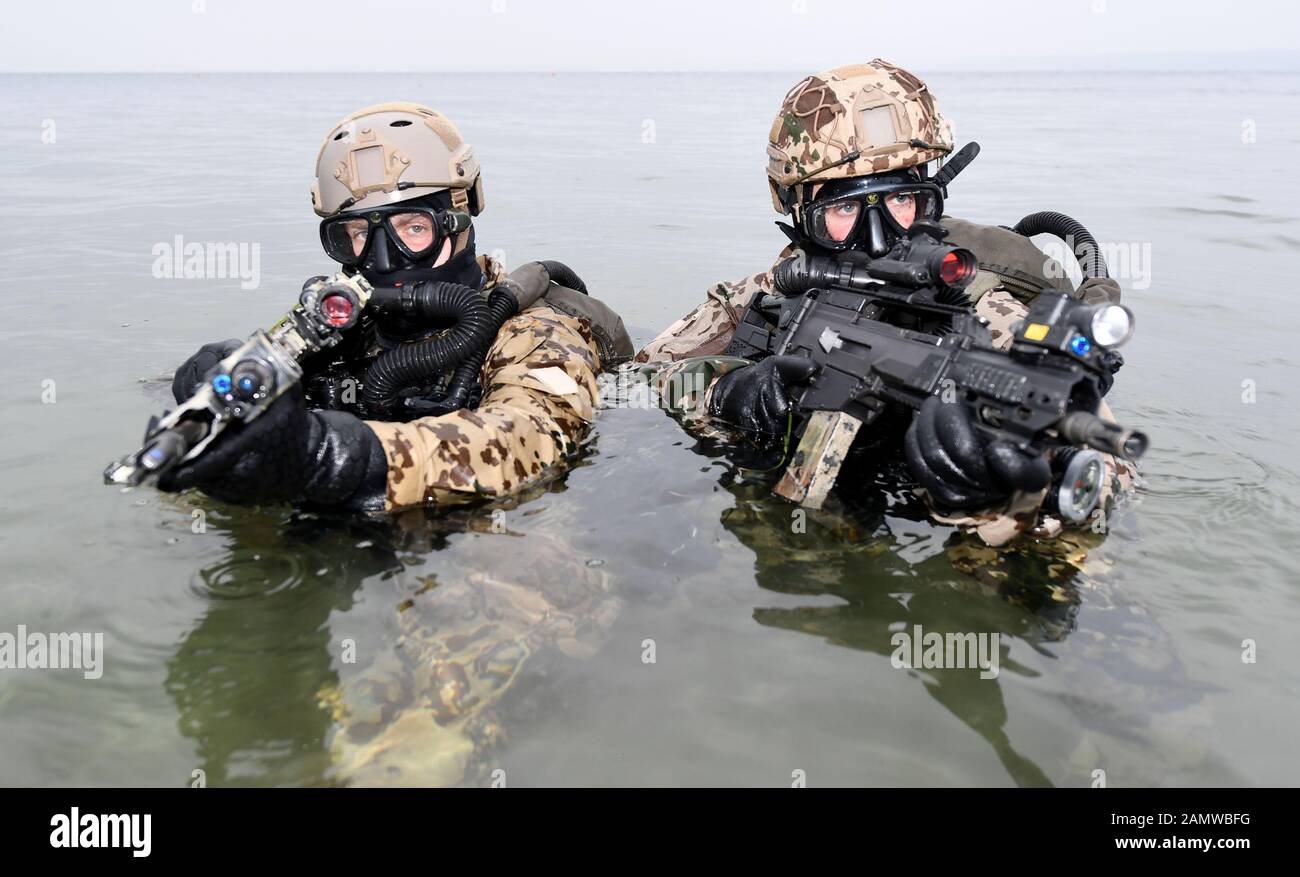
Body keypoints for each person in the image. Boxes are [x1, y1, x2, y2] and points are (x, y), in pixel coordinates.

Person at [633, 61, 1132, 545]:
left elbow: (1110, 474)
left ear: (931, 198)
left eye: (901, 200)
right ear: (798, 208)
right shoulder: (760, 297)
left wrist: (1000, 487)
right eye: (845, 207)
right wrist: (724, 394)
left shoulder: (982, 313)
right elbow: (636, 384)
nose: (877, 238)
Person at [157, 102, 632, 512]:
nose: (382, 260)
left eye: (413, 228)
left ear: (459, 221)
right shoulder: (344, 320)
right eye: (359, 235)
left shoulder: (534, 330)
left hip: (492, 518)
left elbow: (532, 437)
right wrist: (211, 379)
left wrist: (336, 457)